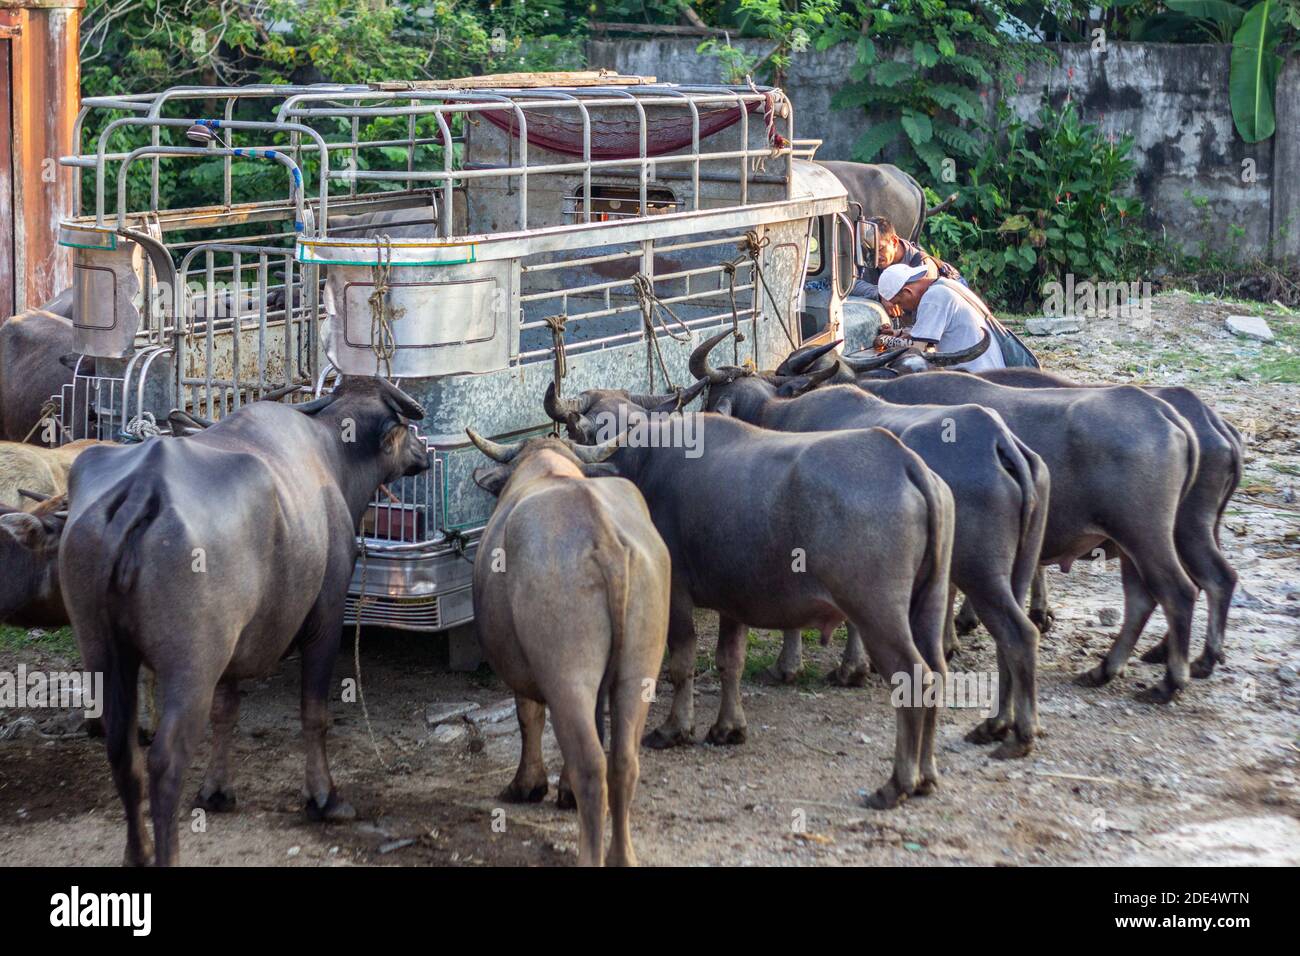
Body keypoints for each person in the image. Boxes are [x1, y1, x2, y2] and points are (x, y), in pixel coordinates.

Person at [876, 263, 1008, 372]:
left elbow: (919, 347)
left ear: (907, 292)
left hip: (975, 375)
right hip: (991, 371)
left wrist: (886, 340)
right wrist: (898, 333)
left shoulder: (933, 298)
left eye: (898, 303)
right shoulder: (946, 285)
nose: (901, 308)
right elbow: (928, 335)